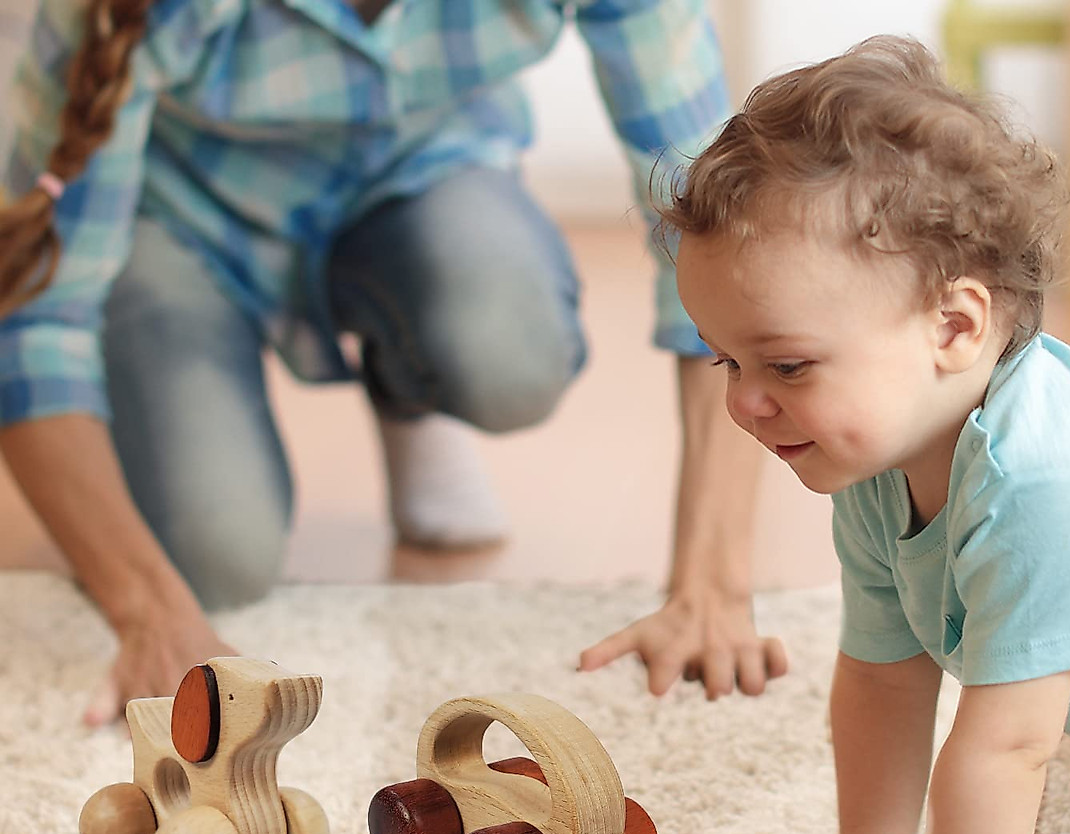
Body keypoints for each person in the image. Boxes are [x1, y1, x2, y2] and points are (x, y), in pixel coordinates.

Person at [0, 0, 788, 726]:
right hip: (182, 219)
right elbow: (35, 317)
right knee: (214, 558)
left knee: (508, 351)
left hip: (426, 175)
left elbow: (709, 221)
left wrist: (713, 586)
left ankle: (408, 387)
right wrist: (146, 610)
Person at [662, 35, 1070, 834]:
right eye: (724, 361)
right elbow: (883, 668)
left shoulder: (1055, 479)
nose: (745, 402)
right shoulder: (878, 456)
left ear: (956, 326)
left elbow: (1009, 745)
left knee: (1060, 729)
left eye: (787, 365)